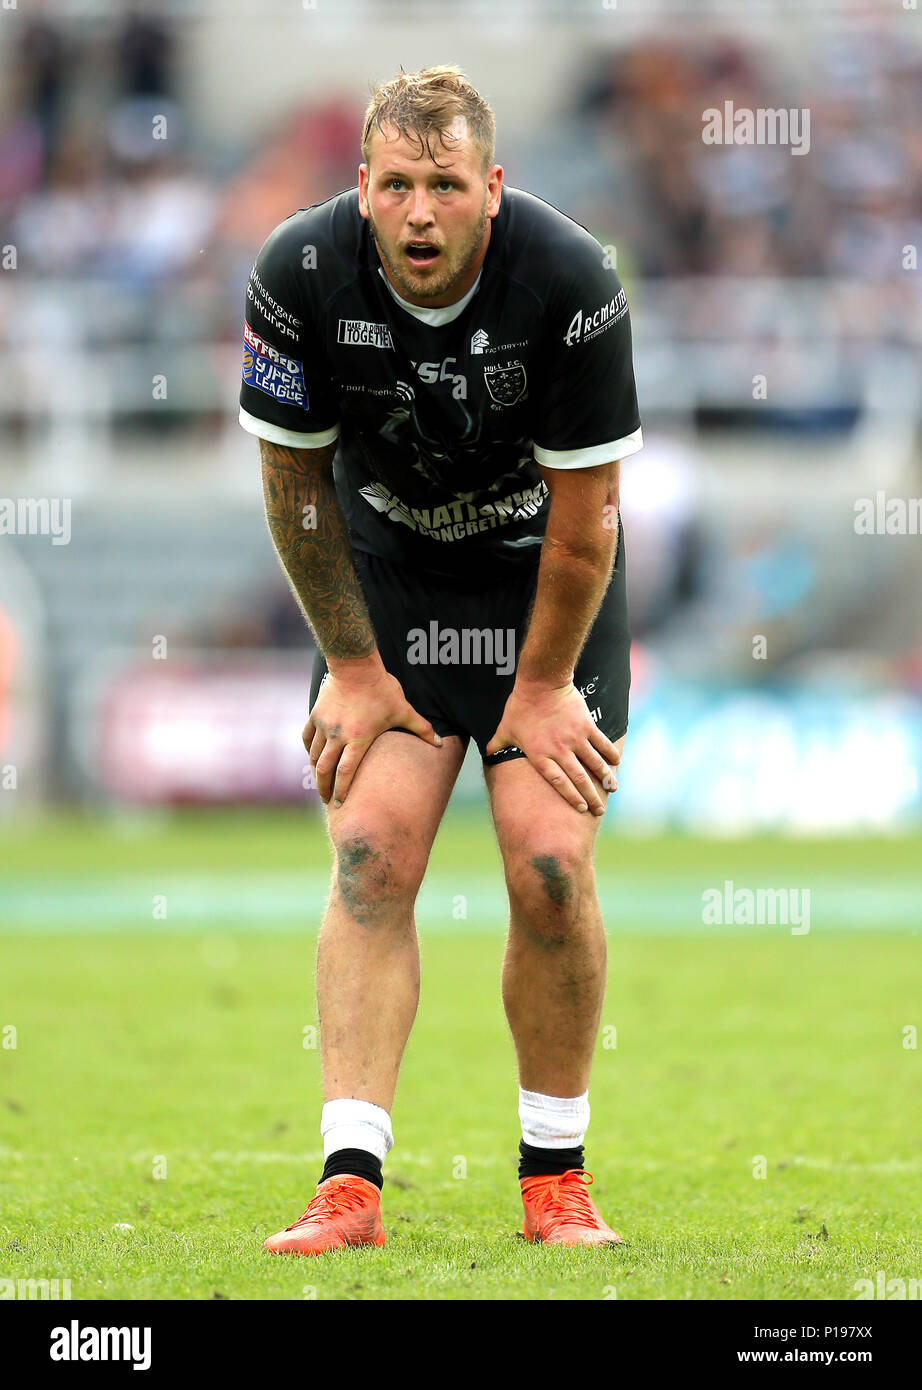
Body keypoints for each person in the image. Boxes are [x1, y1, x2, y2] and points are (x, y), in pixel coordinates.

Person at [239, 64, 643, 1253]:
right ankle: (350, 1186)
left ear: (492, 191)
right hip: (388, 587)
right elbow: (293, 493)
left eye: (448, 186)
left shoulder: (571, 281)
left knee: (552, 865)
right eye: (399, 185)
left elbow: (587, 524)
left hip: (541, 590)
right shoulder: (297, 276)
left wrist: (542, 689)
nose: (422, 212)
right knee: (369, 853)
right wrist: (354, 671)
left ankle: (553, 1182)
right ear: (361, 189)